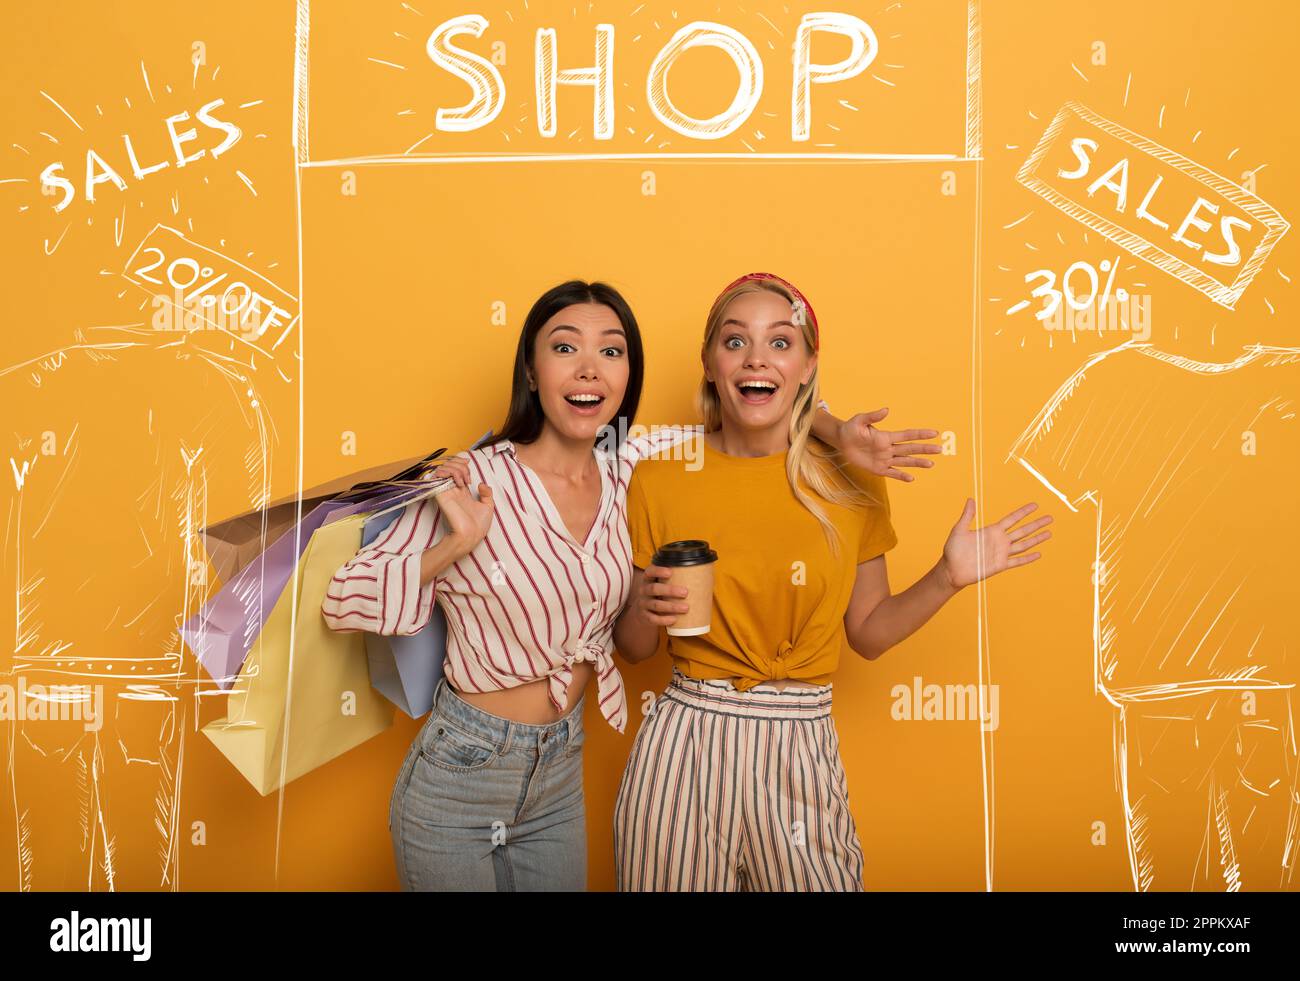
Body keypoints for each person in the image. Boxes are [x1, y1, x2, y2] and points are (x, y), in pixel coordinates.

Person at [321, 278, 932, 891]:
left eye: (611, 352)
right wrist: (456, 543)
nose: (589, 369)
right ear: (531, 372)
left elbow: (754, 427)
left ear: (626, 376)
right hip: (465, 763)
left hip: (561, 770)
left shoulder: (629, 466)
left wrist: (835, 430)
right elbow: (344, 602)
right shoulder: (471, 480)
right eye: (564, 349)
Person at [612, 272, 1054, 891]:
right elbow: (634, 650)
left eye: (781, 342)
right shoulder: (659, 477)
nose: (757, 359)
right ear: (710, 364)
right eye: (735, 342)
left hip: (800, 740)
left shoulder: (848, 479)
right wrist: (643, 602)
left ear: (807, 365)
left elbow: (868, 635)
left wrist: (947, 577)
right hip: (685, 742)